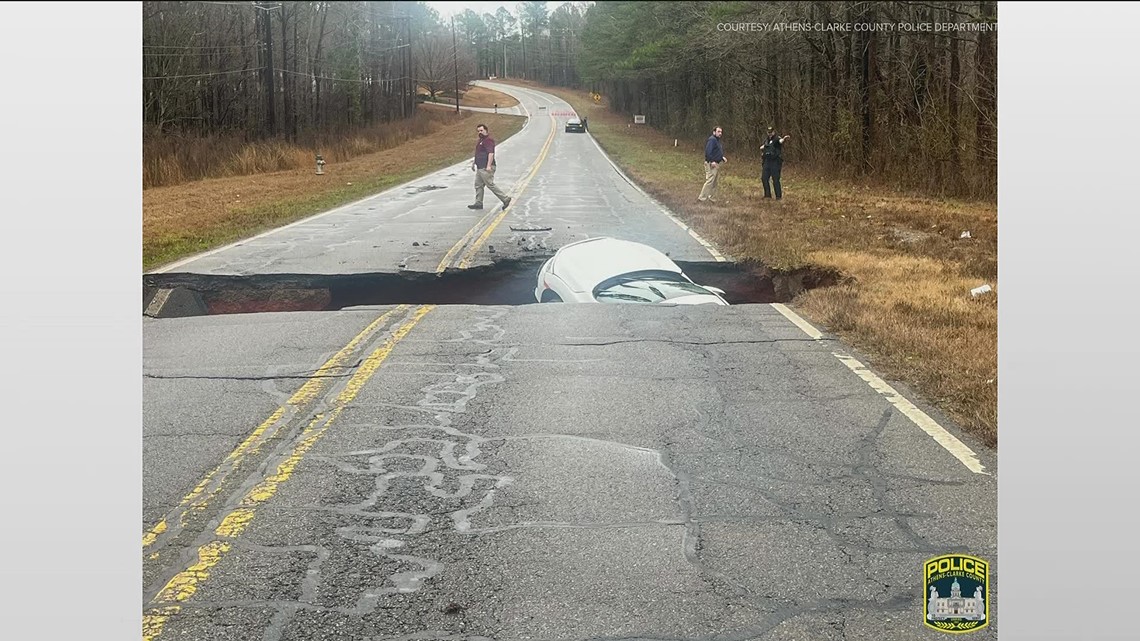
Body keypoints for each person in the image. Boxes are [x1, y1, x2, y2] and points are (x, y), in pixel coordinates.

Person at [468, 123, 511, 210]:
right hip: (480, 167)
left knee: (490, 184)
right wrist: (474, 163)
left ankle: (505, 199)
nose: (479, 132)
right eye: (478, 131)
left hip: (486, 167)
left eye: (481, 130)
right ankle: (478, 203)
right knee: (478, 185)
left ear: (486, 130)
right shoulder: (480, 140)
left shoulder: (488, 140)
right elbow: (478, 153)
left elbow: (491, 153)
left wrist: (488, 166)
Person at [760, 126, 791, 200]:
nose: (770, 134)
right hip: (767, 161)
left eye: (771, 132)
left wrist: (784, 138)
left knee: (775, 179)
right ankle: (767, 195)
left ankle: (778, 196)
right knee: (764, 178)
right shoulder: (766, 140)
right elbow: (763, 147)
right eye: (768, 132)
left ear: (774, 132)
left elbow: (781, 141)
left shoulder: (777, 138)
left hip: (775, 162)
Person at [698, 126, 726, 202]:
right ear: (714, 132)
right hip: (711, 163)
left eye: (721, 132)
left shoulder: (717, 140)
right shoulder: (712, 140)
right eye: (718, 132)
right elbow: (708, 152)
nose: (720, 133)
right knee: (710, 181)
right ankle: (702, 198)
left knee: (715, 182)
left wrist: (722, 157)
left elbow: (716, 151)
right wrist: (712, 161)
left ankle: (712, 198)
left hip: (717, 163)